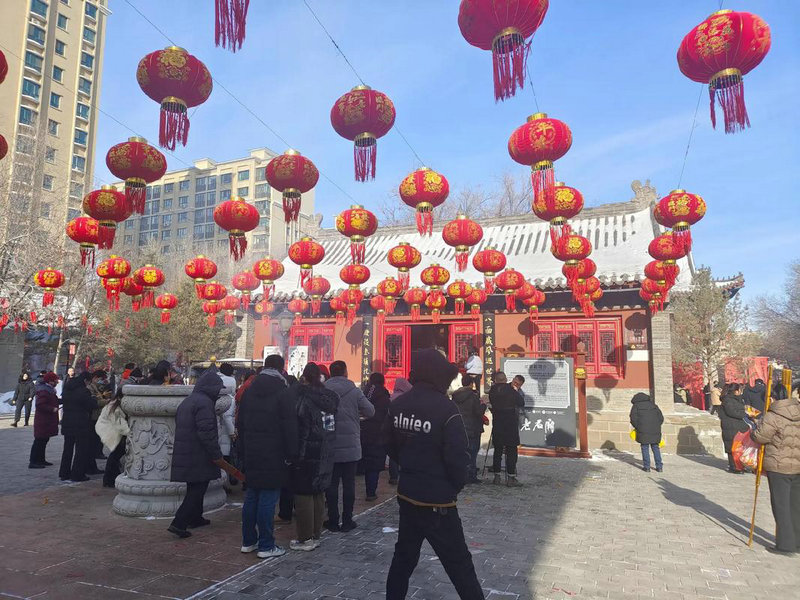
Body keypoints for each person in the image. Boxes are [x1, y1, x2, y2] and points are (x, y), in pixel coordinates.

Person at [385, 348, 484, 600]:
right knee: (460, 564)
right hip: (439, 501)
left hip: (408, 495)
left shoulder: (398, 405)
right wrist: (454, 485)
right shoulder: (446, 409)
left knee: (403, 559)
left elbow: (390, 446)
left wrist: (408, 466)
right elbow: (458, 459)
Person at [237, 354, 297, 558]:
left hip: (252, 449)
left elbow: (240, 423)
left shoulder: (249, 390)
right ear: (282, 369)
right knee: (268, 498)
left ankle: (248, 541)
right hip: (274, 451)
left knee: (252, 495)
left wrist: (242, 449)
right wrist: (292, 453)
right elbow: (290, 425)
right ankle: (266, 545)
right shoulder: (283, 391)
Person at [169, 367, 227, 538]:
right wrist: (216, 454)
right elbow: (207, 432)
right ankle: (178, 523)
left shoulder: (190, 401)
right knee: (198, 488)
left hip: (187, 450)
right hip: (198, 453)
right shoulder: (204, 403)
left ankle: (195, 517)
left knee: (195, 486)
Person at [290, 363, 338, 551]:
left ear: (305, 377)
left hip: (308, 452)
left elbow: (301, 429)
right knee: (319, 493)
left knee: (303, 495)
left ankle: (305, 538)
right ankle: (316, 534)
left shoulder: (304, 398)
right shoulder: (330, 399)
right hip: (327, 450)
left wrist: (296, 455)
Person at [324, 360, 375, 531]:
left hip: (329, 445)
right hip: (351, 447)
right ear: (345, 372)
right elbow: (370, 411)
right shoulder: (355, 391)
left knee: (331, 485)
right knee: (349, 484)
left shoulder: (323, 390)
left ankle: (332, 520)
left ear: (331, 373)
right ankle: (347, 520)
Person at [752, 383, 800, 554]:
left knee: (781, 505)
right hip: (797, 465)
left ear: (771, 398)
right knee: (795, 505)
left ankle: (786, 544)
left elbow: (760, 436)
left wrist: (755, 428)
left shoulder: (773, 416)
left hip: (779, 466)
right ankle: (797, 542)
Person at [59, 372, 98, 482]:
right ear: (86, 380)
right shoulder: (83, 391)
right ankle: (77, 474)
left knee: (67, 449)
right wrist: (94, 399)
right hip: (81, 423)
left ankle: (64, 473)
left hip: (67, 421)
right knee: (81, 450)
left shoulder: (67, 388)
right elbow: (91, 405)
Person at [488, 372, 524, 487]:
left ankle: (497, 476)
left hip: (498, 423)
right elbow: (521, 402)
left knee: (498, 450)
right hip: (510, 424)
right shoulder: (511, 391)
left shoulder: (492, 391)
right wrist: (515, 390)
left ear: (496, 380)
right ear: (506, 379)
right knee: (511, 450)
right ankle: (511, 478)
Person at [361, 372, 391, 501]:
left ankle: (369, 490)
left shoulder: (364, 393)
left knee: (367, 462)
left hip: (364, 431)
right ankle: (371, 492)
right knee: (374, 463)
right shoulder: (384, 396)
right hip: (379, 432)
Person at [452, 374, 485, 484]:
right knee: (473, 452)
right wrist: (484, 405)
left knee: (462, 452)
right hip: (473, 428)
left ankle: (460, 473)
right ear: (471, 384)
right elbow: (478, 412)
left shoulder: (455, 396)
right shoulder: (473, 396)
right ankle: (471, 475)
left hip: (460, 427)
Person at [96, 389, 130, 487]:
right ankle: (109, 479)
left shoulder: (115, 404)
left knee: (115, 455)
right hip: (115, 434)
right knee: (115, 455)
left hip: (115, 433)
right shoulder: (115, 407)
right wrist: (128, 432)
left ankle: (110, 478)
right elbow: (119, 424)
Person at [29, 372, 60, 468]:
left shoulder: (49, 390)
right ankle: (33, 461)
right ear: (50, 381)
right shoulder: (44, 391)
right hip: (43, 420)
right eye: (55, 380)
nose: (57, 382)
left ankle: (41, 460)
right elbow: (40, 405)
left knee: (44, 441)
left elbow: (53, 401)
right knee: (39, 441)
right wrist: (52, 409)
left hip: (46, 420)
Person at [629, 392, 664, 472]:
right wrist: (657, 426)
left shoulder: (636, 406)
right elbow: (661, 418)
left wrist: (638, 426)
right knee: (655, 447)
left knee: (645, 447)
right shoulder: (653, 405)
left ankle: (647, 467)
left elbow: (633, 418)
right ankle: (659, 467)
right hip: (655, 430)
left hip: (642, 430)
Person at [719, 383, 748, 473]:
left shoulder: (737, 399)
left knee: (739, 448)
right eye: (739, 390)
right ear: (735, 391)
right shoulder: (728, 400)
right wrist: (746, 414)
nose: (740, 392)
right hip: (731, 427)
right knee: (732, 447)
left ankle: (740, 466)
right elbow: (732, 412)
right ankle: (733, 466)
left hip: (737, 426)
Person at [86, 369, 112, 472]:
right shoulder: (90, 387)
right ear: (95, 378)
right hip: (93, 416)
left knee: (96, 439)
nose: (101, 381)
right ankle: (91, 466)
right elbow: (95, 401)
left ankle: (95, 459)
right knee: (92, 441)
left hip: (98, 415)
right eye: (100, 379)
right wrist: (106, 401)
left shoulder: (95, 386)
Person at [388, 377, 412, 485]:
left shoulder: (391, 397)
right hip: (405, 428)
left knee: (393, 452)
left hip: (392, 428)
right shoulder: (408, 398)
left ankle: (393, 476)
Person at [218, 363, 237, 486]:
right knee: (225, 459)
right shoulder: (229, 399)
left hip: (217, 432)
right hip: (225, 433)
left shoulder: (216, 395)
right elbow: (227, 417)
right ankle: (224, 484)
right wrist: (232, 432)